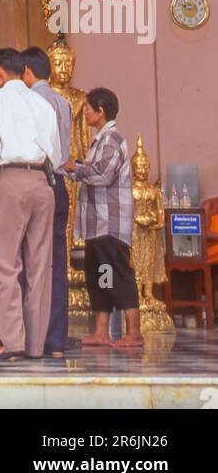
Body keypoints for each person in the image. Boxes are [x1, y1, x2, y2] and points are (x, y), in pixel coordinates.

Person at [0, 47, 62, 362]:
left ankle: (12, 343)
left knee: (6, 263)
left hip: (10, 181)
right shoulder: (42, 103)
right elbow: (58, 153)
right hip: (43, 184)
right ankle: (36, 345)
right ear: (23, 71)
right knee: (40, 265)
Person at [65, 86, 142, 351]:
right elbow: (88, 172)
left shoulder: (113, 140)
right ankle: (101, 332)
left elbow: (102, 175)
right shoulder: (99, 140)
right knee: (99, 278)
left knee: (118, 276)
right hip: (96, 226)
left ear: (101, 111)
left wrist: (75, 167)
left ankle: (134, 332)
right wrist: (72, 169)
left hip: (110, 224)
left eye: (88, 108)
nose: (84, 112)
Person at [22, 46, 73, 358]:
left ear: (27, 71)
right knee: (55, 262)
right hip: (58, 183)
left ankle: (30, 337)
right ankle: (55, 341)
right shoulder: (63, 102)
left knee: (28, 261)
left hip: (36, 180)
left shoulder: (29, 101)